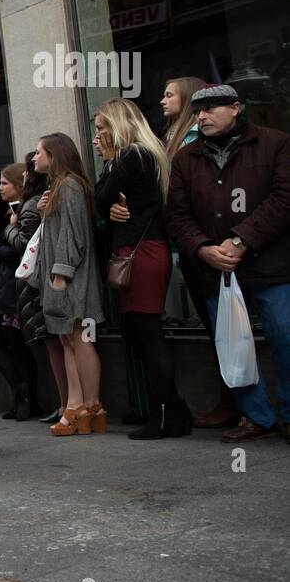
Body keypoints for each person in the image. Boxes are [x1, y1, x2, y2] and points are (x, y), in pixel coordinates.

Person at [166, 84, 290, 444]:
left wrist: (241, 239)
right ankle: (257, 417)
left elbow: (284, 199)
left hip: (272, 266)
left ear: (236, 108)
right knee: (233, 344)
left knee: (285, 335)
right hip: (216, 270)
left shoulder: (275, 143)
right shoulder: (185, 159)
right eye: (197, 112)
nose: (201, 117)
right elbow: (176, 216)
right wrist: (203, 248)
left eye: (210, 109)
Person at [94, 98, 190, 439]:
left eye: (103, 127)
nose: (98, 136)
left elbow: (101, 198)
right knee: (143, 334)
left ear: (120, 125)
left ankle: (164, 415)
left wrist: (107, 163)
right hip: (144, 251)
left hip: (142, 253)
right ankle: (174, 411)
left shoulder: (130, 155)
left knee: (148, 336)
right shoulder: (142, 155)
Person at [161, 76, 236, 428]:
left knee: (230, 329)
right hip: (193, 247)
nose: (162, 100)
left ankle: (239, 404)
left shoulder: (194, 140)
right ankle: (235, 403)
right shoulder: (175, 139)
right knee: (219, 329)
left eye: (170, 94)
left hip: (216, 246)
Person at [27, 133, 105, 436]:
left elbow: (74, 235)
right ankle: (76, 405)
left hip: (71, 279)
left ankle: (91, 404)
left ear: (54, 155)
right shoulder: (61, 187)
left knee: (78, 338)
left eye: (39, 152)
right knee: (68, 340)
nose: (35, 159)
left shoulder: (69, 185)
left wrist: (61, 275)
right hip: (63, 278)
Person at [0, 163, 38, 420]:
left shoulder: (26, 212)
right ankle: (19, 392)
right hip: (1, 286)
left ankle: (27, 396)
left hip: (15, 288)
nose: (0, 188)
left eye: (5, 183)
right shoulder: (9, 213)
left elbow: (19, 252)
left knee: (15, 342)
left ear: (19, 186)